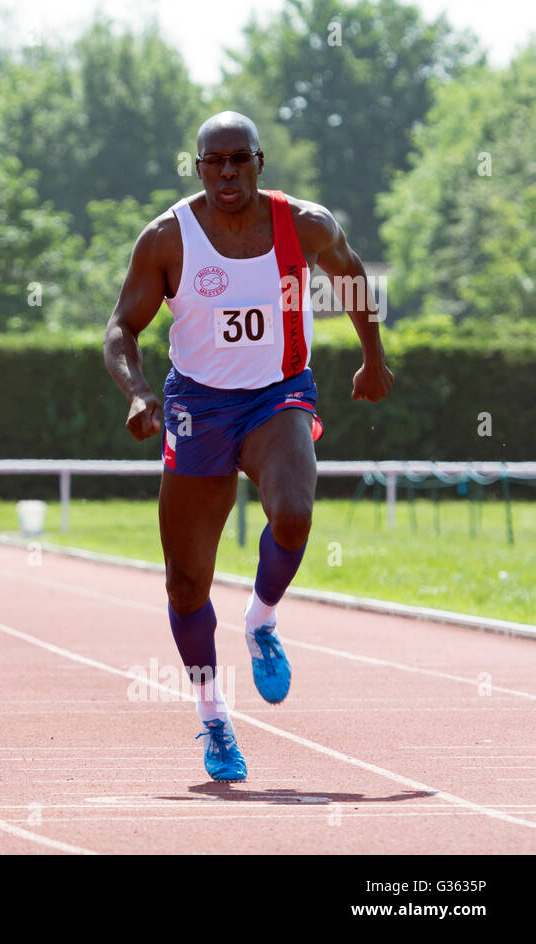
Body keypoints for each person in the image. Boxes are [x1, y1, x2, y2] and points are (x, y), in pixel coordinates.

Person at [104, 112, 394, 781]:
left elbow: (352, 280)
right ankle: (213, 718)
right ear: (198, 166)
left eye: (239, 160)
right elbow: (122, 327)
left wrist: (373, 357)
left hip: (277, 394)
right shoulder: (167, 238)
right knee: (184, 582)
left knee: (293, 513)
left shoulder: (305, 225)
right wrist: (138, 393)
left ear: (260, 162)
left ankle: (261, 620)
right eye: (214, 162)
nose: (227, 173)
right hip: (198, 405)